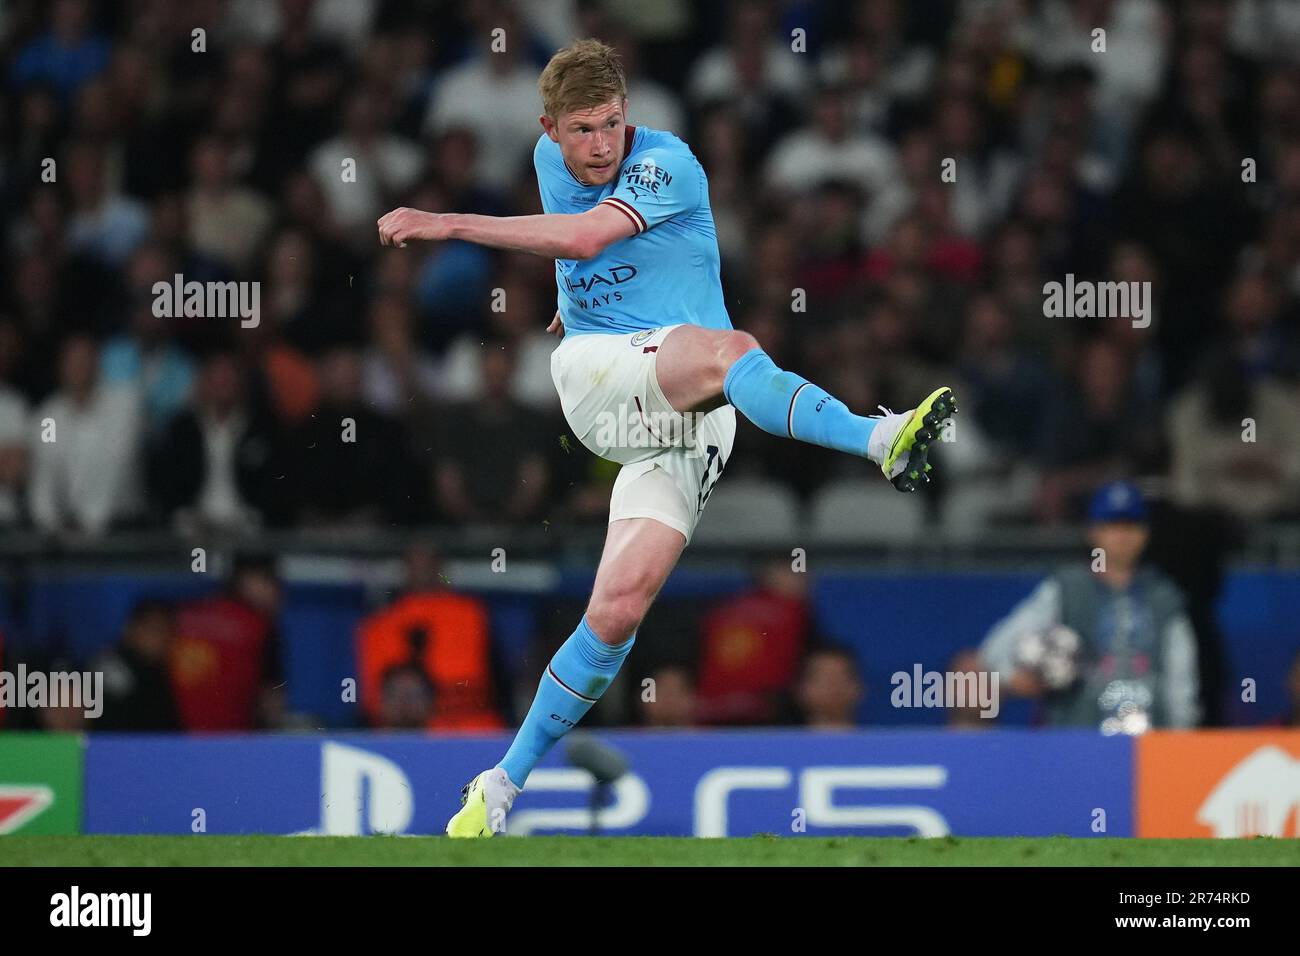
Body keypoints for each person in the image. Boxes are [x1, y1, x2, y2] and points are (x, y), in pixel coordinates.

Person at [377, 39, 958, 838]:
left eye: (612, 124)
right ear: (549, 128)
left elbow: (585, 242)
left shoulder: (668, 163)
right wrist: (559, 297)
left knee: (616, 610)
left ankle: (500, 785)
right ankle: (878, 437)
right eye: (581, 130)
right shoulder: (556, 164)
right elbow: (579, 250)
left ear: (630, 116)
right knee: (735, 350)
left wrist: (458, 225)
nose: (599, 145)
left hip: (688, 419)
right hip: (600, 382)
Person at [979, 481, 1201, 732]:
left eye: (1130, 525)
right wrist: (1014, 675)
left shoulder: (1163, 596)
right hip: (1077, 740)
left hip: (1149, 744)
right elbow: (996, 648)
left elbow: (1182, 683)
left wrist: (1181, 738)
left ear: (1145, 533)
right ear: (1093, 531)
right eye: (1112, 525)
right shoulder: (1067, 589)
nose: (1122, 535)